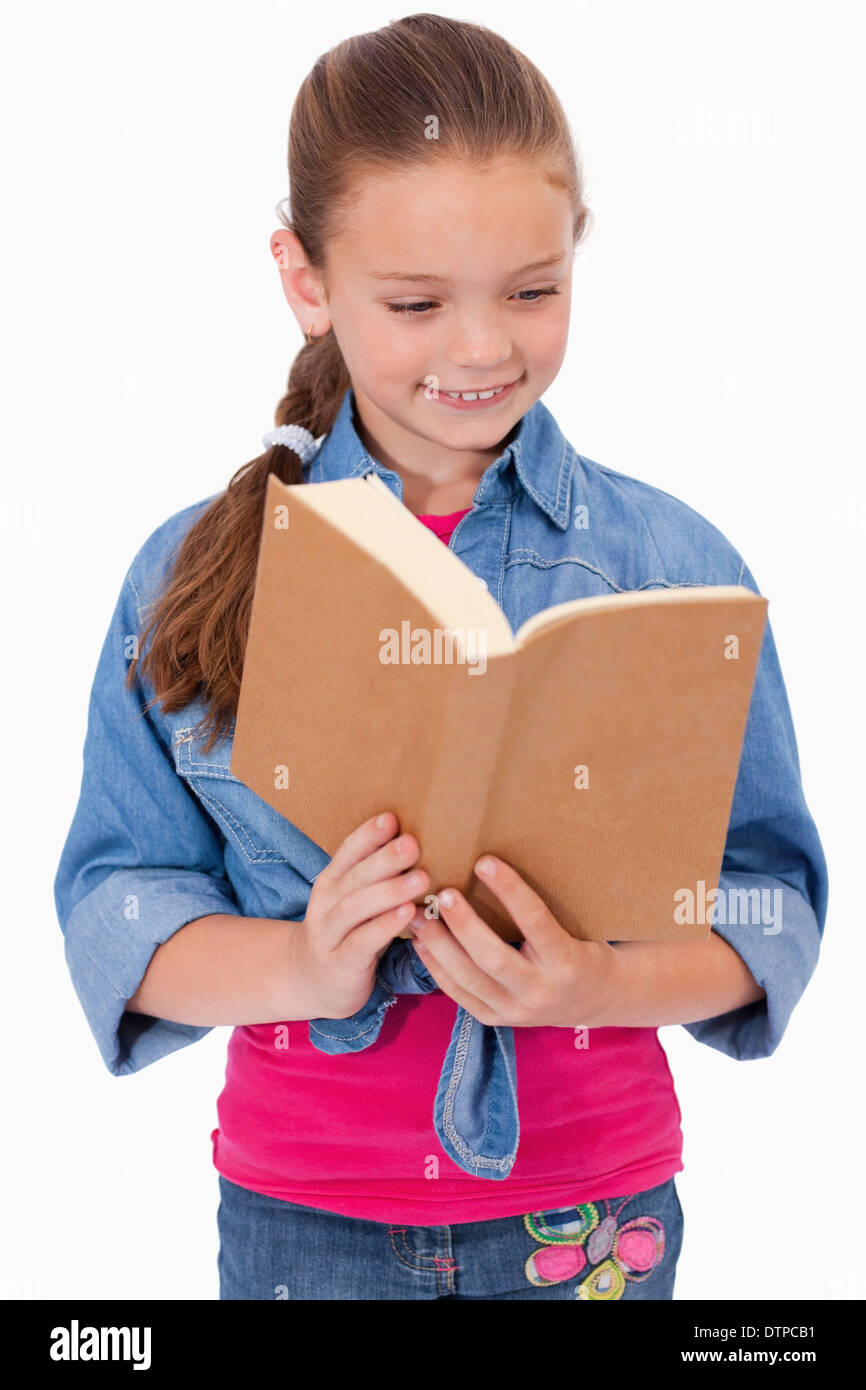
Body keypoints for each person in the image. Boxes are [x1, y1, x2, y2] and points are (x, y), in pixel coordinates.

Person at [54, 13, 828, 1301]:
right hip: (304, 1212)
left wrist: (599, 980)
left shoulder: (675, 564)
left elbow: (767, 899)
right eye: (415, 305)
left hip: (590, 1213)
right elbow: (120, 901)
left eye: (534, 290)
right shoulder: (192, 575)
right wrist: (305, 960)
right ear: (305, 280)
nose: (482, 350)